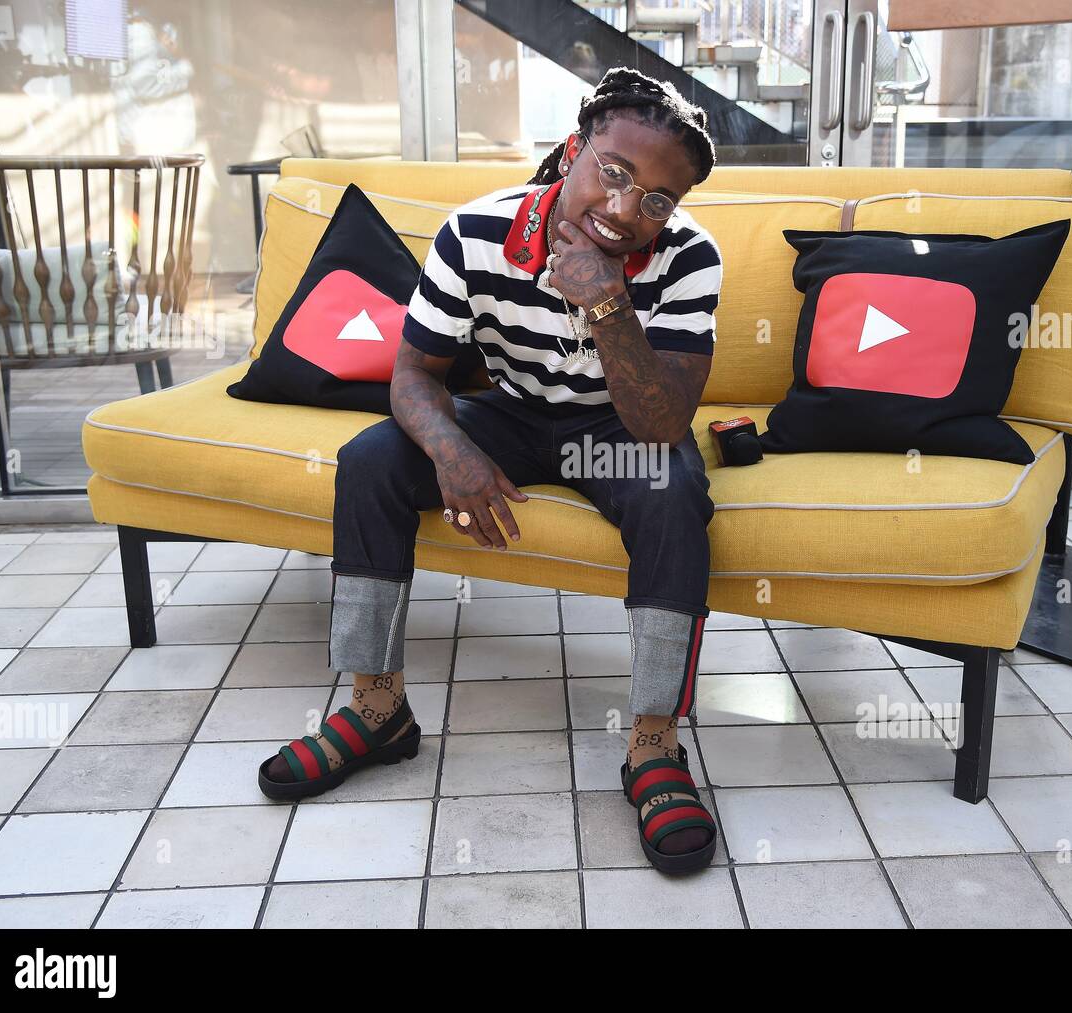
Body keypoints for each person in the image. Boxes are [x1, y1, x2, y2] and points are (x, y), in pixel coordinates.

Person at [259, 67, 724, 875]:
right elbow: (413, 376)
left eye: (656, 199)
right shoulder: (474, 231)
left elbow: (662, 424)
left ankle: (653, 746)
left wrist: (606, 302)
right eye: (613, 173)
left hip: (617, 427)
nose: (623, 211)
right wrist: (454, 452)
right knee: (370, 460)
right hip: (510, 414)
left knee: (674, 491)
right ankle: (376, 712)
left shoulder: (689, 259)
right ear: (574, 150)